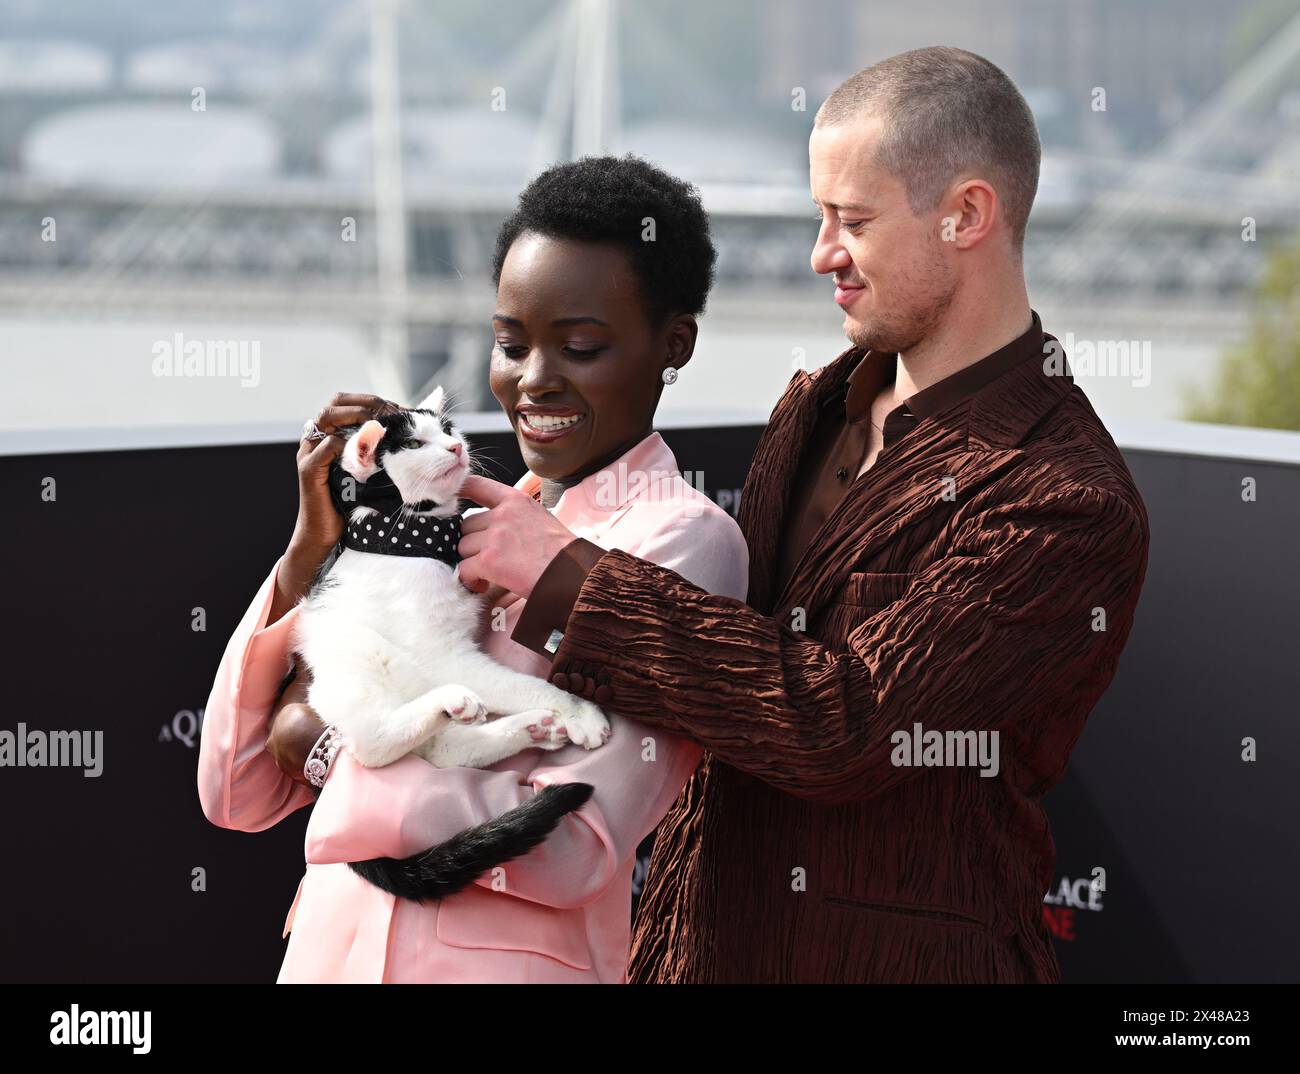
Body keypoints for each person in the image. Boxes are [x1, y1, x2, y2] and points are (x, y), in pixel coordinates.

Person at [452, 47, 1153, 983]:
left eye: (851, 221)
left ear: (968, 215)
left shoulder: (1064, 498)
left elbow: (849, 727)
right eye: (821, 216)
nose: (822, 254)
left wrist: (572, 577)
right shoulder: (814, 406)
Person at [196, 155, 749, 983]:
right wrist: (311, 554)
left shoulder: (680, 540)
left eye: (583, 346)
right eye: (510, 344)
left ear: (674, 345)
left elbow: (571, 846)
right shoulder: (441, 523)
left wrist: (337, 759)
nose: (533, 381)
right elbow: (234, 787)